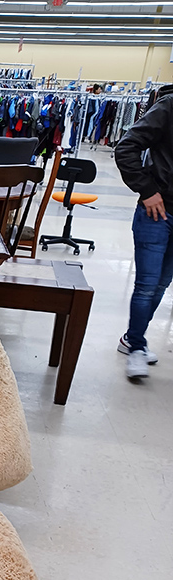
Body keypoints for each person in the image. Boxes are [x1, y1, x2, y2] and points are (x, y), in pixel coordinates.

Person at [114, 84, 173, 380]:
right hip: (157, 212)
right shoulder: (168, 106)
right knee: (148, 283)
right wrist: (147, 189)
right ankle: (137, 346)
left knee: (162, 283)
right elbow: (126, 147)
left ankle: (131, 337)